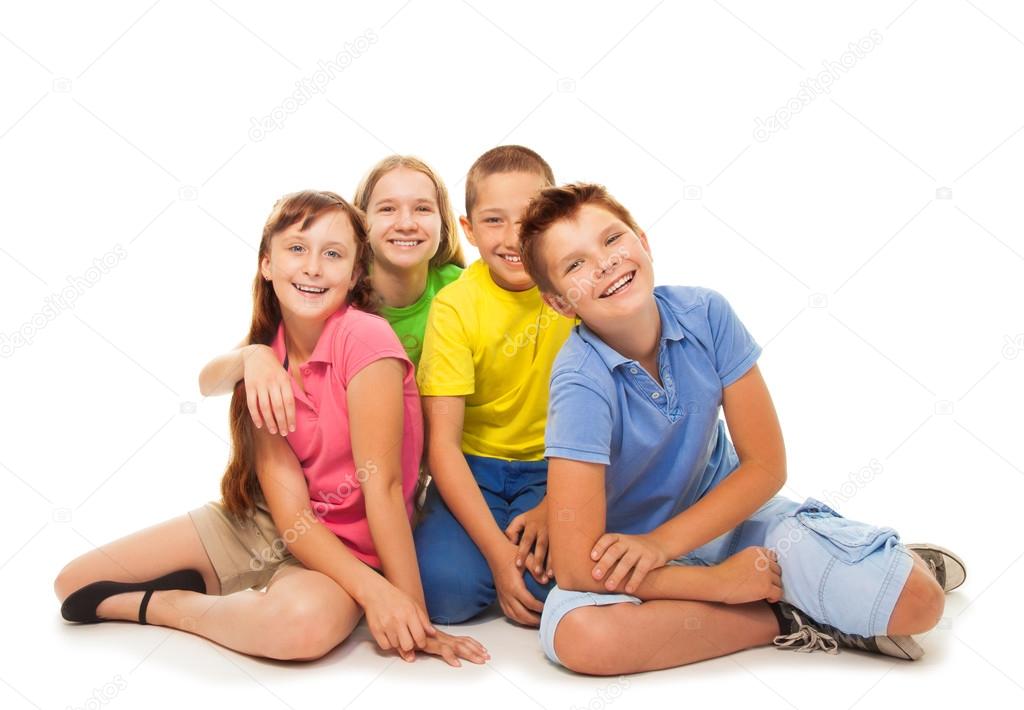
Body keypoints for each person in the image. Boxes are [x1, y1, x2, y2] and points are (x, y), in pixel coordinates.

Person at [516, 182, 966, 674]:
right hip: (632, 563)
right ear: (560, 302)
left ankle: (852, 571)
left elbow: (766, 467)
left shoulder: (706, 314)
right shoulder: (579, 381)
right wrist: (711, 583)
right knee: (583, 638)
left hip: (733, 523)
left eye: (612, 239)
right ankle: (781, 617)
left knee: (920, 602)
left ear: (642, 241)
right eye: (575, 265)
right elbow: (579, 567)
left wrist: (666, 543)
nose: (603, 263)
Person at [55, 190, 487, 666]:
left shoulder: (365, 338)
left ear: (355, 274)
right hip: (271, 524)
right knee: (73, 583)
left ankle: (172, 605)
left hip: (348, 551)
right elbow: (289, 513)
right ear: (267, 263)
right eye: (297, 249)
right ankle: (224, 582)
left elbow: (382, 487)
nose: (313, 268)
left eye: (333, 254)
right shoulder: (267, 350)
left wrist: (405, 610)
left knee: (301, 628)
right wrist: (252, 357)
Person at [413, 145, 572, 626]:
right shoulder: (455, 307)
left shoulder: (576, 293)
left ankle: (513, 553)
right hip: (471, 469)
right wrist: (500, 558)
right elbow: (442, 447)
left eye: (528, 218)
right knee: (443, 596)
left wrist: (551, 505)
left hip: (554, 468)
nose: (513, 237)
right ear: (469, 229)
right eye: (494, 221)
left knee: (547, 587)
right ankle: (486, 551)